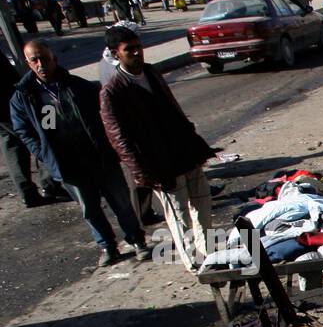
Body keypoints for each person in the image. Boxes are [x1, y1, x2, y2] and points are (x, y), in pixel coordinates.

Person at [11, 40, 147, 267]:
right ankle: (107, 246)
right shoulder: (27, 96)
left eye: (43, 58)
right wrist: (43, 154)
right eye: (34, 60)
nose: (40, 64)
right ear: (27, 63)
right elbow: (25, 131)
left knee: (121, 202)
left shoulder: (78, 86)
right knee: (89, 209)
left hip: (99, 157)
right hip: (68, 165)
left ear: (53, 58)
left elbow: (105, 116)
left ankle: (137, 241)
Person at [100, 26, 216, 272]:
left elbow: (173, 110)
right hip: (160, 164)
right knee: (179, 216)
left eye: (137, 47)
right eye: (128, 49)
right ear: (115, 54)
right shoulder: (113, 91)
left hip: (184, 152)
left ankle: (210, 254)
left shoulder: (151, 73)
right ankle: (194, 264)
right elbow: (119, 139)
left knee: (202, 206)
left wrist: (194, 143)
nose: (136, 53)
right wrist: (143, 173)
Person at [0, 52, 61, 207]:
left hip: (8, 108)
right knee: (41, 136)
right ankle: (50, 184)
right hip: (12, 104)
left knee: (12, 146)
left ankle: (27, 193)